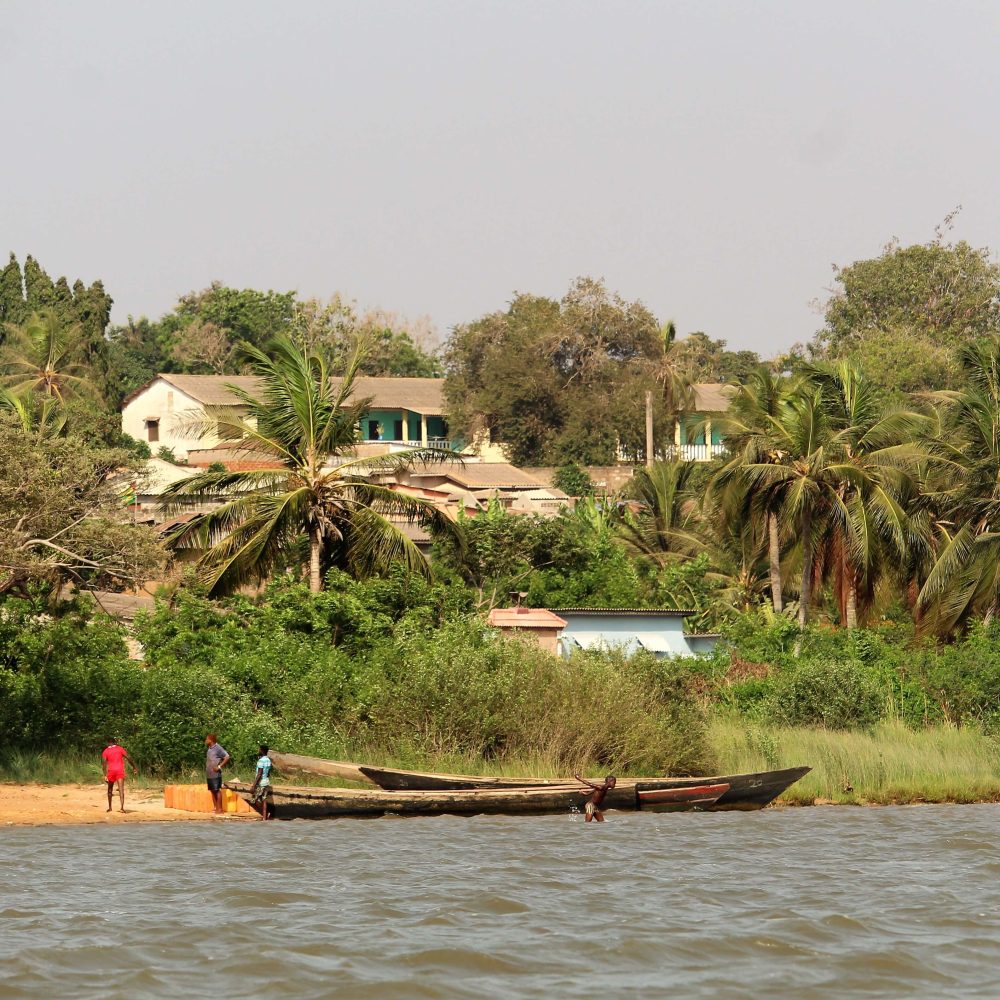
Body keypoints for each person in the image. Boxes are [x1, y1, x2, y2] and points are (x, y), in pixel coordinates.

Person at [101, 738, 137, 813]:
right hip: (119, 770)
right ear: (115, 742)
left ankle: (110, 807)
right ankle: (122, 808)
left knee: (110, 789)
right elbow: (129, 757)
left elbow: (104, 764)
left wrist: (105, 775)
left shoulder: (106, 751)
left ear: (108, 743)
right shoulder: (120, 749)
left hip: (111, 771)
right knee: (121, 789)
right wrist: (134, 767)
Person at [204, 734, 231, 814]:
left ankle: (220, 809)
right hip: (209, 773)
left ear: (210, 740)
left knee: (217, 790)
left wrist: (219, 767)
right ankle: (216, 808)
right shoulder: (209, 748)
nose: (205, 741)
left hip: (216, 773)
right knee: (212, 790)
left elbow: (227, 757)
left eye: (206, 739)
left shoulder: (218, 748)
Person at [249, 744, 274, 821]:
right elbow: (268, 773)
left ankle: (265, 813)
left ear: (262, 751)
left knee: (254, 800)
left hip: (261, 783)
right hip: (266, 781)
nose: (258, 751)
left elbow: (259, 774)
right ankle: (265, 818)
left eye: (259, 749)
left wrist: (254, 785)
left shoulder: (261, 761)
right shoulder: (268, 760)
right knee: (264, 800)